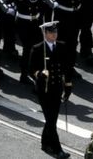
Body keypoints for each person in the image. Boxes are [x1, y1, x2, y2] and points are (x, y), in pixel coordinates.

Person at [29, 21, 73, 159]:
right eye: (51, 33)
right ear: (45, 33)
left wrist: (68, 85)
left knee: (51, 120)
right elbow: (31, 69)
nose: (54, 35)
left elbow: (67, 67)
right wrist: (40, 74)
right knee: (50, 119)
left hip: (57, 89)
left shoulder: (61, 46)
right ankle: (57, 149)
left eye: (55, 32)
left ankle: (44, 142)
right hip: (44, 90)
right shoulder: (38, 48)